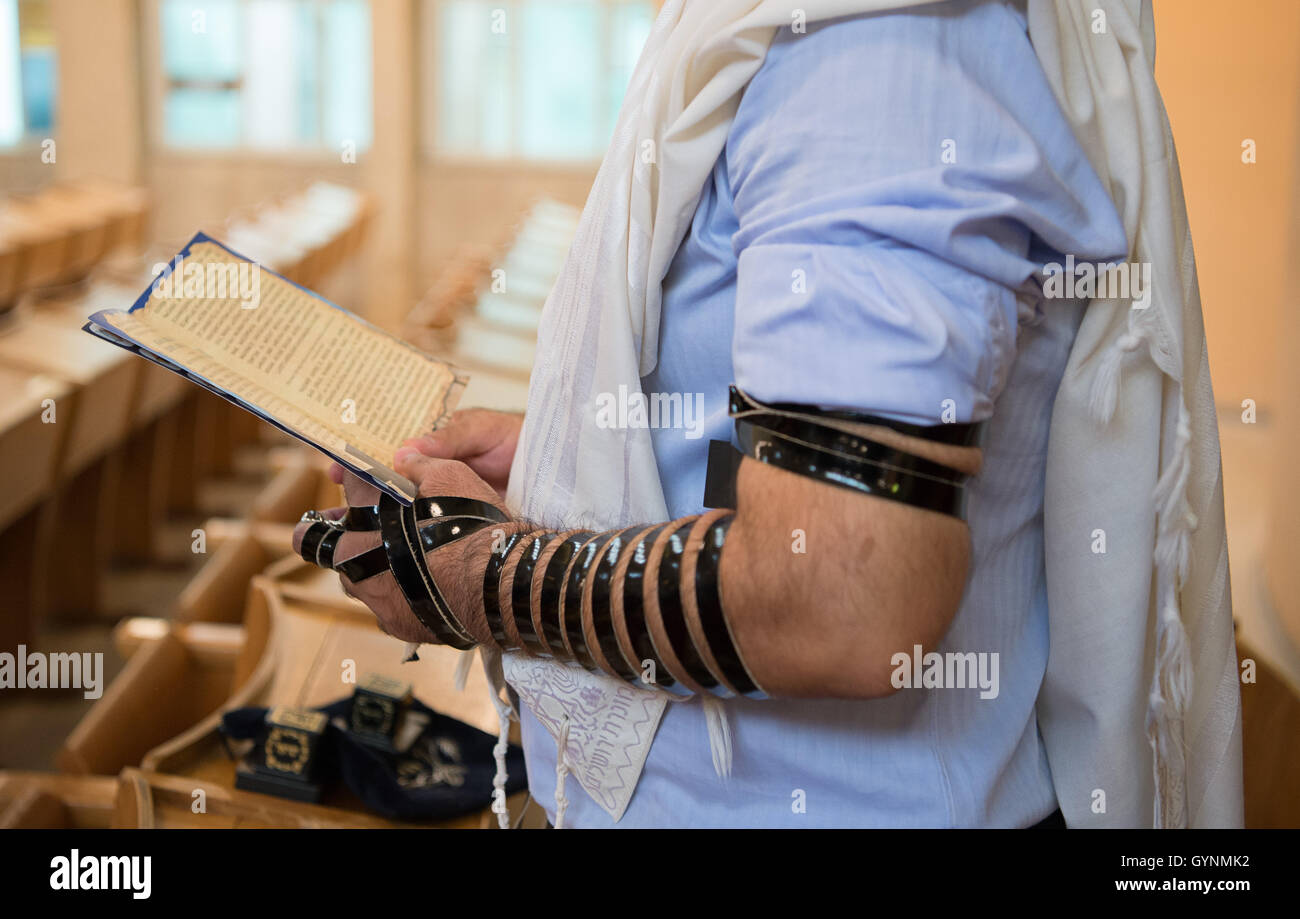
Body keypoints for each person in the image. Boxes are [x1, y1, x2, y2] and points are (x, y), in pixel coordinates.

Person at [295, 0, 1242, 828]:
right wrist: (569, 449)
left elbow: (846, 594)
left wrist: (475, 573)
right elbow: (779, 453)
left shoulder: (878, 58)